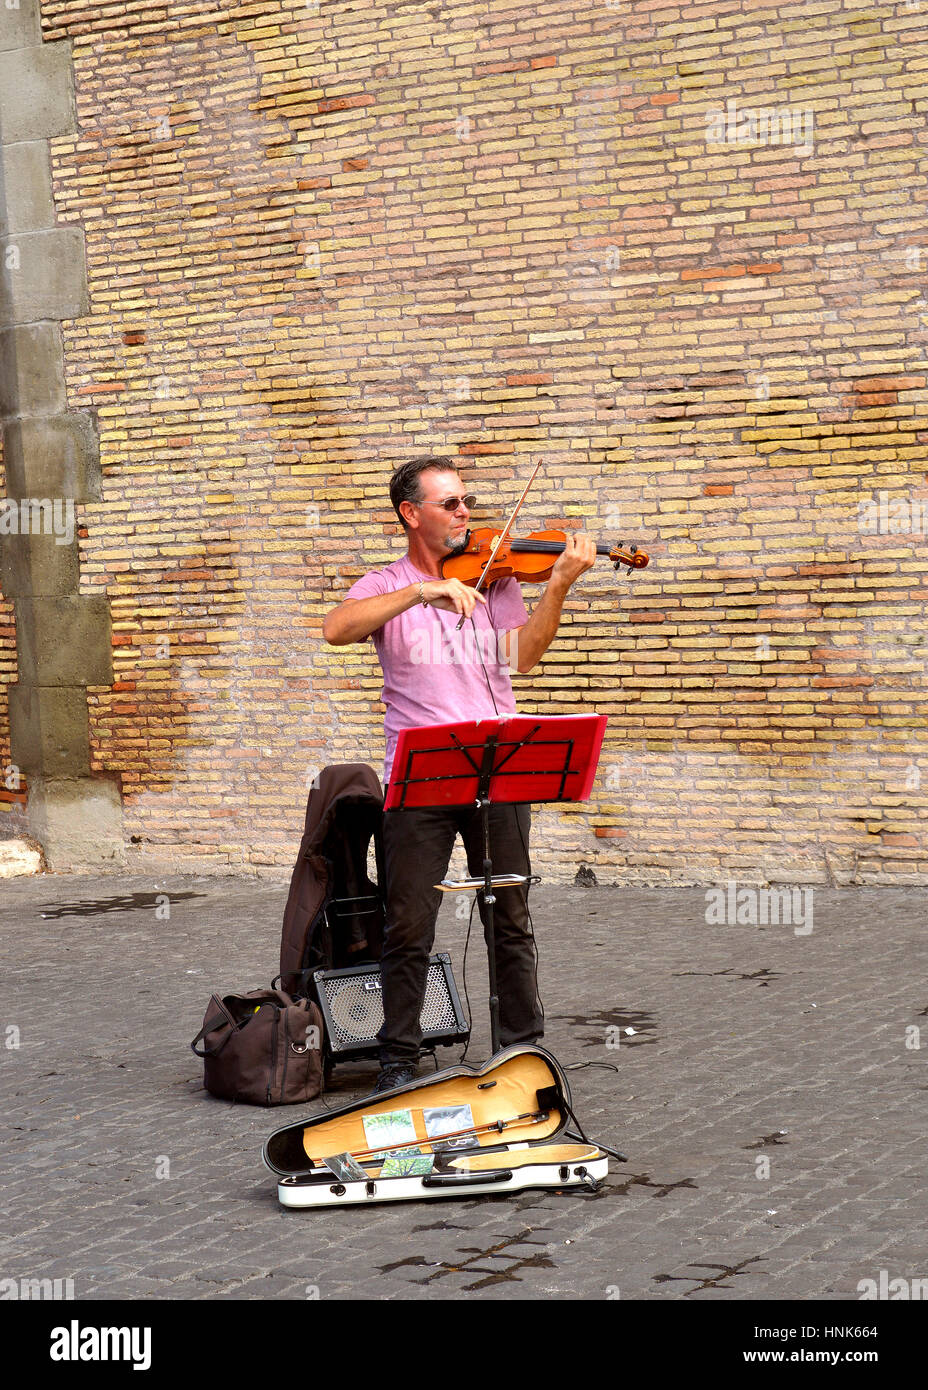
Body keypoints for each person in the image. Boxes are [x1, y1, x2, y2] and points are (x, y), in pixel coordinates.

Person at [323, 456, 596, 1092]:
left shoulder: (497, 581)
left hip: (497, 772)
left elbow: (521, 657)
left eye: (466, 500)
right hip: (420, 779)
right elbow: (336, 629)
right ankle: (397, 1059)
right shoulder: (384, 585)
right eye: (449, 504)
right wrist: (425, 591)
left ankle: (523, 1053)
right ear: (410, 515)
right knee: (409, 920)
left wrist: (556, 586)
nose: (466, 513)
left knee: (510, 914)